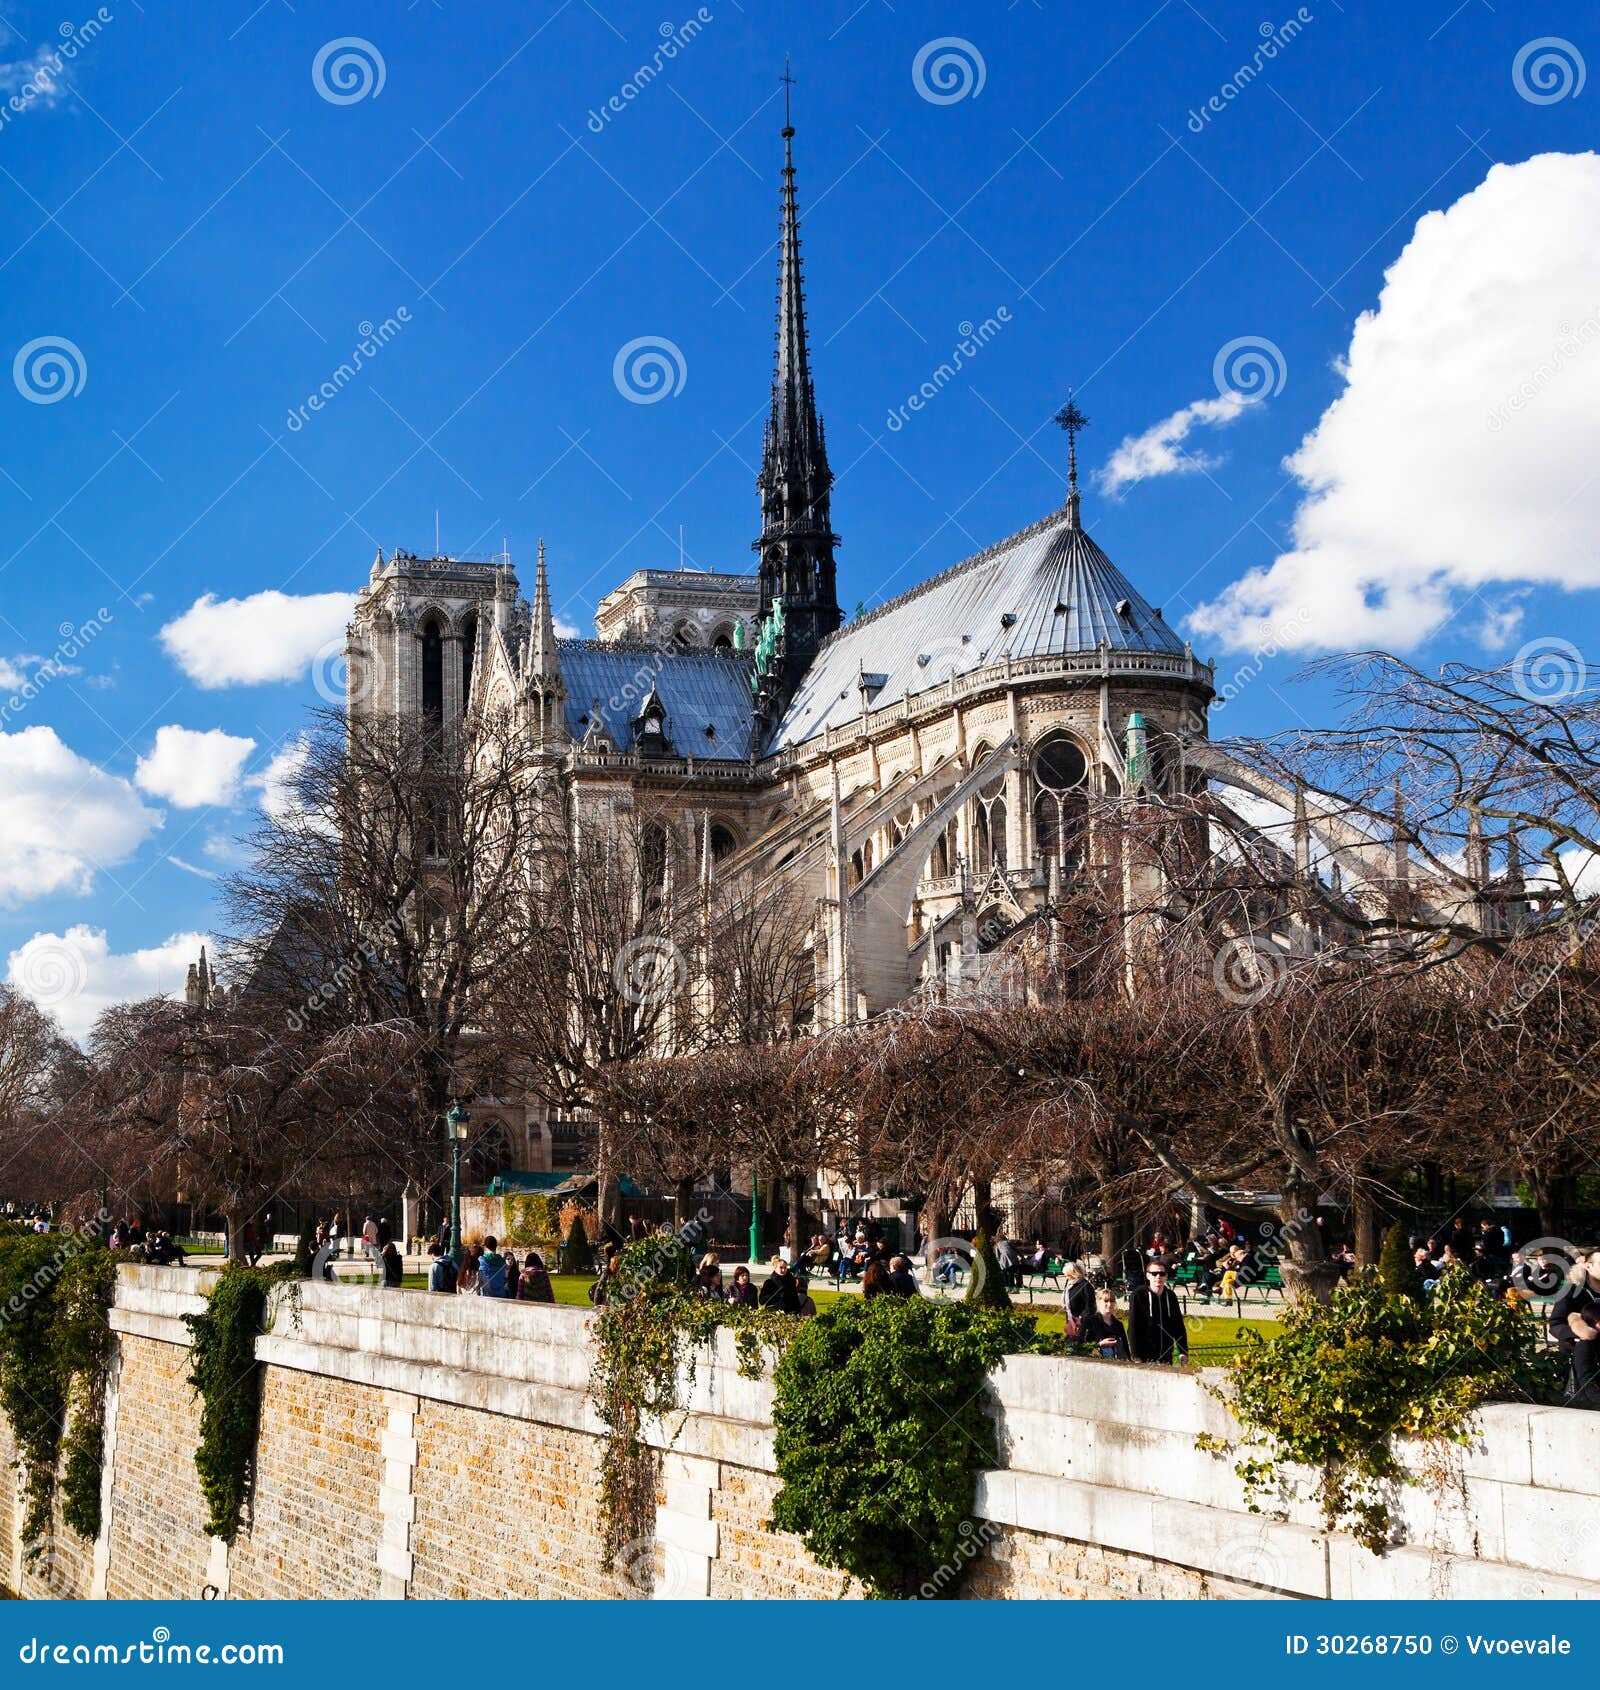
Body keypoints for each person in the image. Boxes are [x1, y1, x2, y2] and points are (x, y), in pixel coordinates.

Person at [1549, 1247, 1600, 1410]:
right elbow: (1555, 1324)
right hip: (1583, 1347)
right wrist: (1576, 1333)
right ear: (1588, 1266)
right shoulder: (1573, 1290)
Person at [1126, 1263, 1188, 1364]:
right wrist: (1136, 1355)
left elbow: (1178, 1326)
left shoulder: (1170, 1296)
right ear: (1148, 1275)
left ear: (1166, 1276)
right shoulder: (1138, 1295)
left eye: (1162, 1274)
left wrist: (1183, 1351)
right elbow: (1133, 1327)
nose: (1158, 1276)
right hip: (1145, 1356)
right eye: (1154, 1274)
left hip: (1166, 1355)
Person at [1080, 1289, 1130, 1360]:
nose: (1109, 1304)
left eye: (1112, 1301)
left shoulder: (1118, 1324)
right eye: (1106, 1301)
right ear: (1098, 1302)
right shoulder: (1089, 1322)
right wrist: (1100, 1344)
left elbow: (1126, 1348)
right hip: (1096, 1363)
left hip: (1118, 1363)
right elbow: (1082, 1347)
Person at [1061, 1261, 1093, 1336]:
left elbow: (1090, 1305)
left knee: (1078, 1340)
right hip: (1070, 1319)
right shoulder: (1070, 1284)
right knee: (1069, 1340)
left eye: (1068, 1275)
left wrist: (1081, 1318)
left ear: (1073, 1274)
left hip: (1081, 1321)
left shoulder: (1085, 1286)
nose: (1066, 1278)